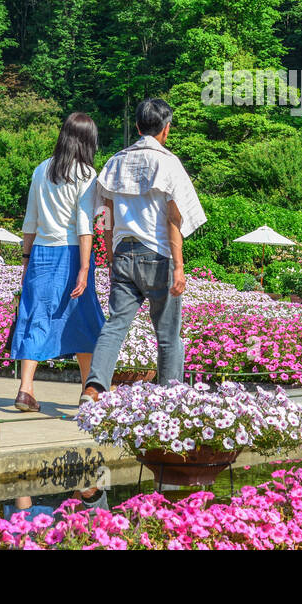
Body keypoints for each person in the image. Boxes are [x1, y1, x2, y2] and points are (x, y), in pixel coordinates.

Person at [81, 98, 207, 405]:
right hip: (159, 256)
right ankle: (170, 398)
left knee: (114, 327)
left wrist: (111, 252)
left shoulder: (115, 162)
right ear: (165, 129)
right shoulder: (168, 163)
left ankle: (93, 388)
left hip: (123, 252)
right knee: (168, 335)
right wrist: (179, 265)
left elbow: (106, 211)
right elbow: (174, 218)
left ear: (138, 127)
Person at [10, 112, 104, 412]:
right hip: (73, 252)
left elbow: (30, 221)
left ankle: (25, 390)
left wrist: (26, 261)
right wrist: (85, 268)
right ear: (88, 140)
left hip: (40, 252)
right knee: (84, 320)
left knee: (35, 315)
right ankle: (88, 391)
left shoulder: (41, 170)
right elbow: (84, 224)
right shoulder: (87, 175)